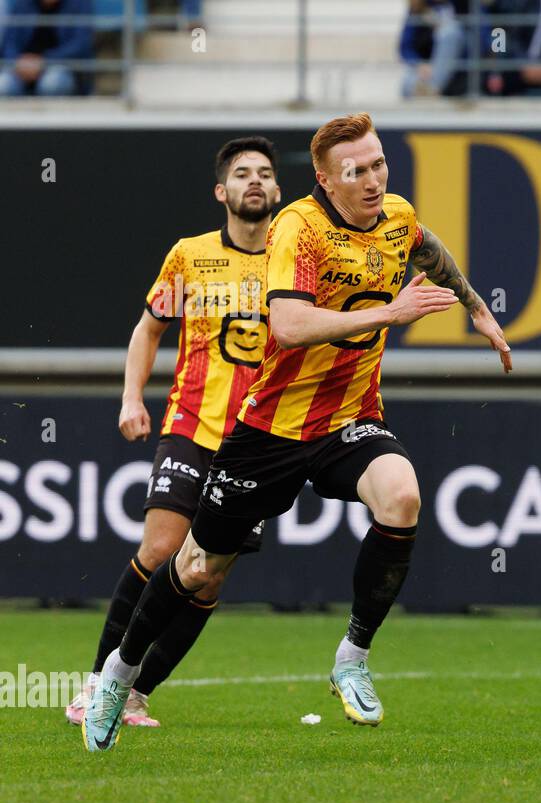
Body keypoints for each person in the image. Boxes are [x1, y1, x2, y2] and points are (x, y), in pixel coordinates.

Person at [81, 113, 513, 752]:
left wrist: (476, 307)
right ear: (325, 179)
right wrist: (393, 311)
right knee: (196, 566)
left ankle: (352, 656)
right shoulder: (299, 230)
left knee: (402, 496)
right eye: (355, 172)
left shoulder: (395, 214)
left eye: (378, 164)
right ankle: (118, 677)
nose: (372, 181)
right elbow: (286, 324)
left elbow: (429, 250)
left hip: (349, 418)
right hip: (272, 427)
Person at [65, 137, 280, 730]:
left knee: (206, 576)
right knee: (162, 550)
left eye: (264, 173)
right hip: (190, 424)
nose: (254, 181)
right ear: (222, 191)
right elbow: (149, 329)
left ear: (279, 191)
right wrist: (132, 397)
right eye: (242, 174)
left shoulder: (292, 262)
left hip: (259, 443)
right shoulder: (189, 255)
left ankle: (135, 693)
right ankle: (95, 685)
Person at [1, 0, 93, 97]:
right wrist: (18, 62)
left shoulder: (80, 3)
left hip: (61, 67)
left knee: (52, 84)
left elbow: (80, 46)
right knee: (4, 85)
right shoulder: (23, 3)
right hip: (23, 68)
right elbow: (9, 43)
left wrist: (43, 62)